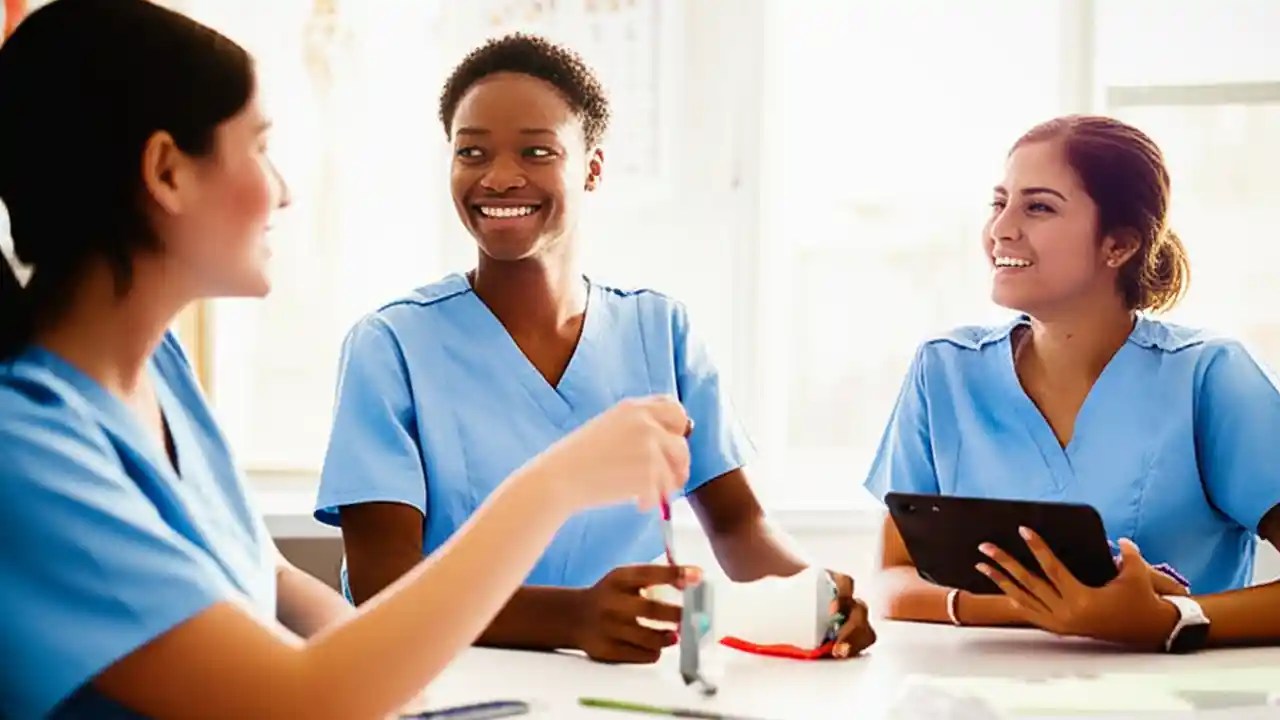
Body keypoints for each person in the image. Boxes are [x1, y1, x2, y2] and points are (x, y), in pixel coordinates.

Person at [0, 2, 696, 718]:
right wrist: (554, 485)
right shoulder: (26, 455)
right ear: (168, 171)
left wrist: (401, 694)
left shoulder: (156, 369)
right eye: (259, 147)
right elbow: (294, 699)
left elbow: (260, 578)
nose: (283, 190)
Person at [314, 33, 876, 664]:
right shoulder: (390, 346)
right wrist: (572, 618)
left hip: (629, 680)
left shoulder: (660, 331)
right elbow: (383, 585)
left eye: (536, 151)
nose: (498, 177)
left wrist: (815, 598)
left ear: (592, 168)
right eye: (471, 152)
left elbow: (738, 527)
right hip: (445, 677)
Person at [867, 114, 1280, 651]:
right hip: (982, 701)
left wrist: (1168, 618)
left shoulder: (1209, 376)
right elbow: (893, 579)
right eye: (999, 203)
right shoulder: (944, 371)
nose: (1001, 229)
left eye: (1038, 206)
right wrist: (1036, 607)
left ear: (1119, 245)